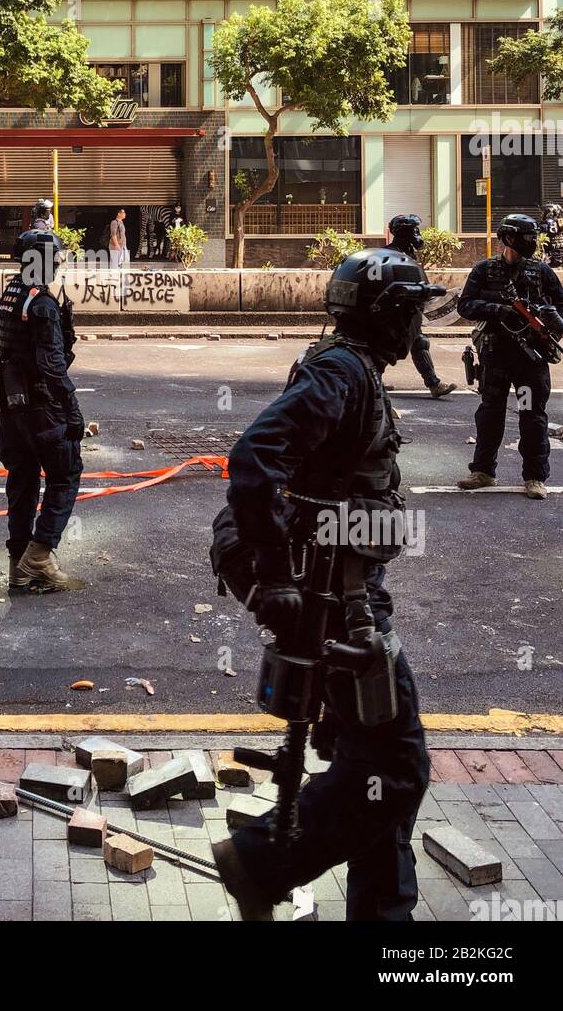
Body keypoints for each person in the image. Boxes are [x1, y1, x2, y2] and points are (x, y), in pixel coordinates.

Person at [212, 247, 444, 922]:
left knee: (366, 769)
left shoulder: (352, 369)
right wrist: (279, 579)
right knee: (396, 769)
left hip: (346, 594)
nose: (417, 328)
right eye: (410, 313)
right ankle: (259, 859)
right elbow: (254, 458)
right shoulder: (342, 374)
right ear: (386, 314)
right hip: (339, 605)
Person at [0, 224, 84, 593]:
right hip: (42, 409)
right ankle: (41, 553)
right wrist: (72, 410)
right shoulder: (42, 305)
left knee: (23, 481)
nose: (58, 266)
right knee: (65, 475)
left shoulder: (10, 297)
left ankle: (18, 565)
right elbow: (52, 365)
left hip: (12, 412)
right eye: (55, 260)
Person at [456, 213, 563, 500]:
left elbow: (561, 311)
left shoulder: (542, 273)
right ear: (509, 238)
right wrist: (498, 310)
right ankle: (483, 472)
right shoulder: (484, 270)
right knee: (490, 414)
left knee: (531, 416)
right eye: (527, 237)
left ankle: (534, 477)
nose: (531, 242)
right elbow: (465, 306)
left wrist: (552, 318)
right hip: (496, 357)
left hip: (530, 360)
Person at [386, 214, 455, 399]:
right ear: (405, 232)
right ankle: (433, 384)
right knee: (416, 342)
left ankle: (433, 383)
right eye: (415, 230)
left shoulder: (407, 253)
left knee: (415, 342)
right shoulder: (390, 254)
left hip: (406, 310)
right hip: (389, 311)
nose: (418, 234)